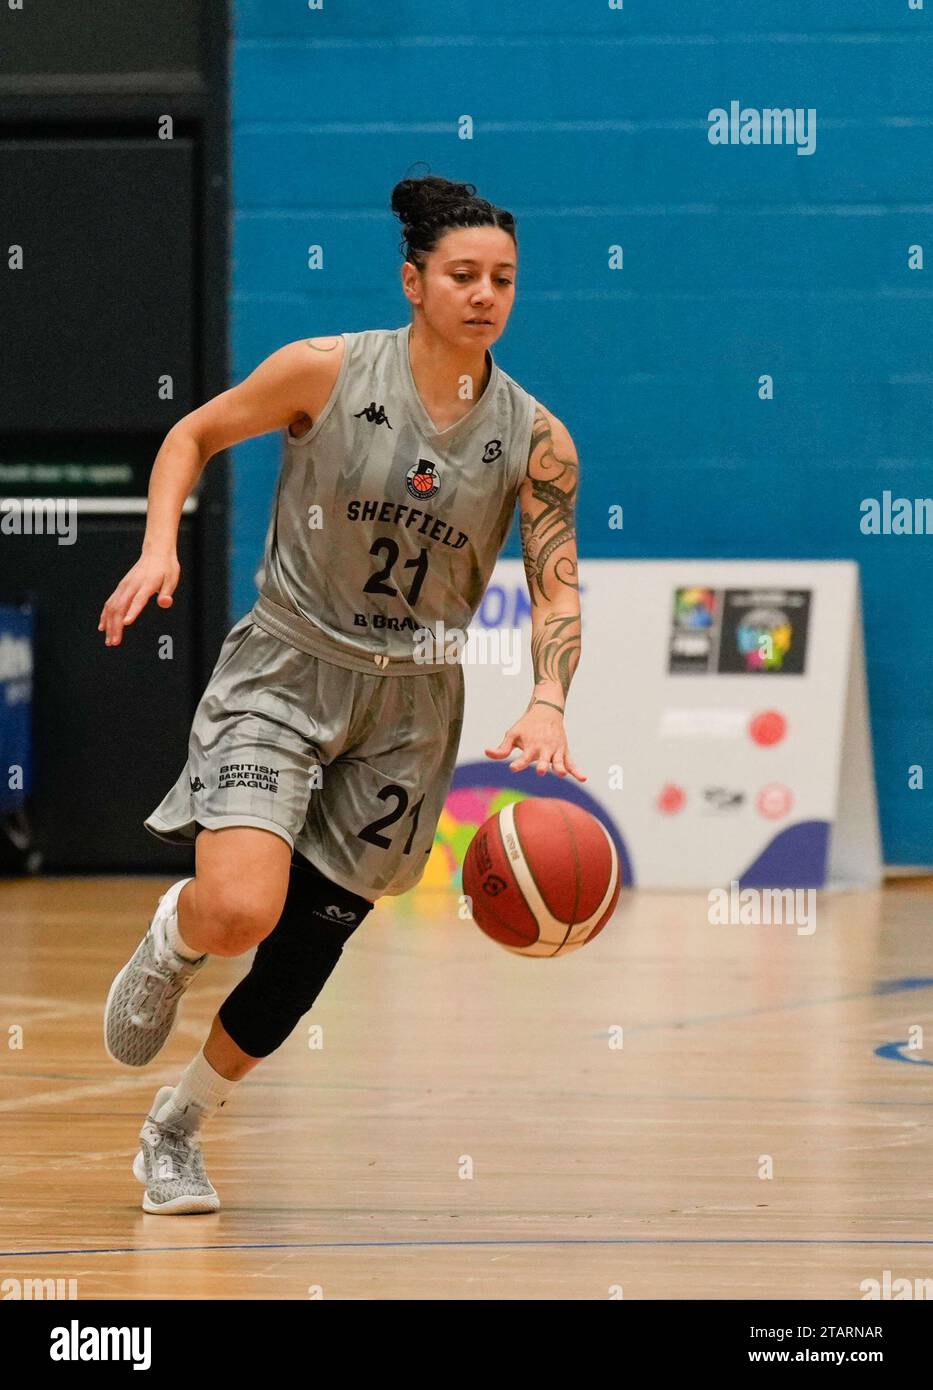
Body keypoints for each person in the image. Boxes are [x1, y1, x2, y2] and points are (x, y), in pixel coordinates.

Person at [99, 173, 585, 1213]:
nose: (484, 293)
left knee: (309, 940)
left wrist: (550, 696)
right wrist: (157, 548)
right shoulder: (324, 370)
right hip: (287, 663)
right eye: (462, 274)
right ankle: (175, 937)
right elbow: (191, 435)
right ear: (414, 281)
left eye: (502, 277)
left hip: (410, 709)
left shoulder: (537, 441)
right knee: (240, 910)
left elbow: (556, 582)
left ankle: (176, 1130)